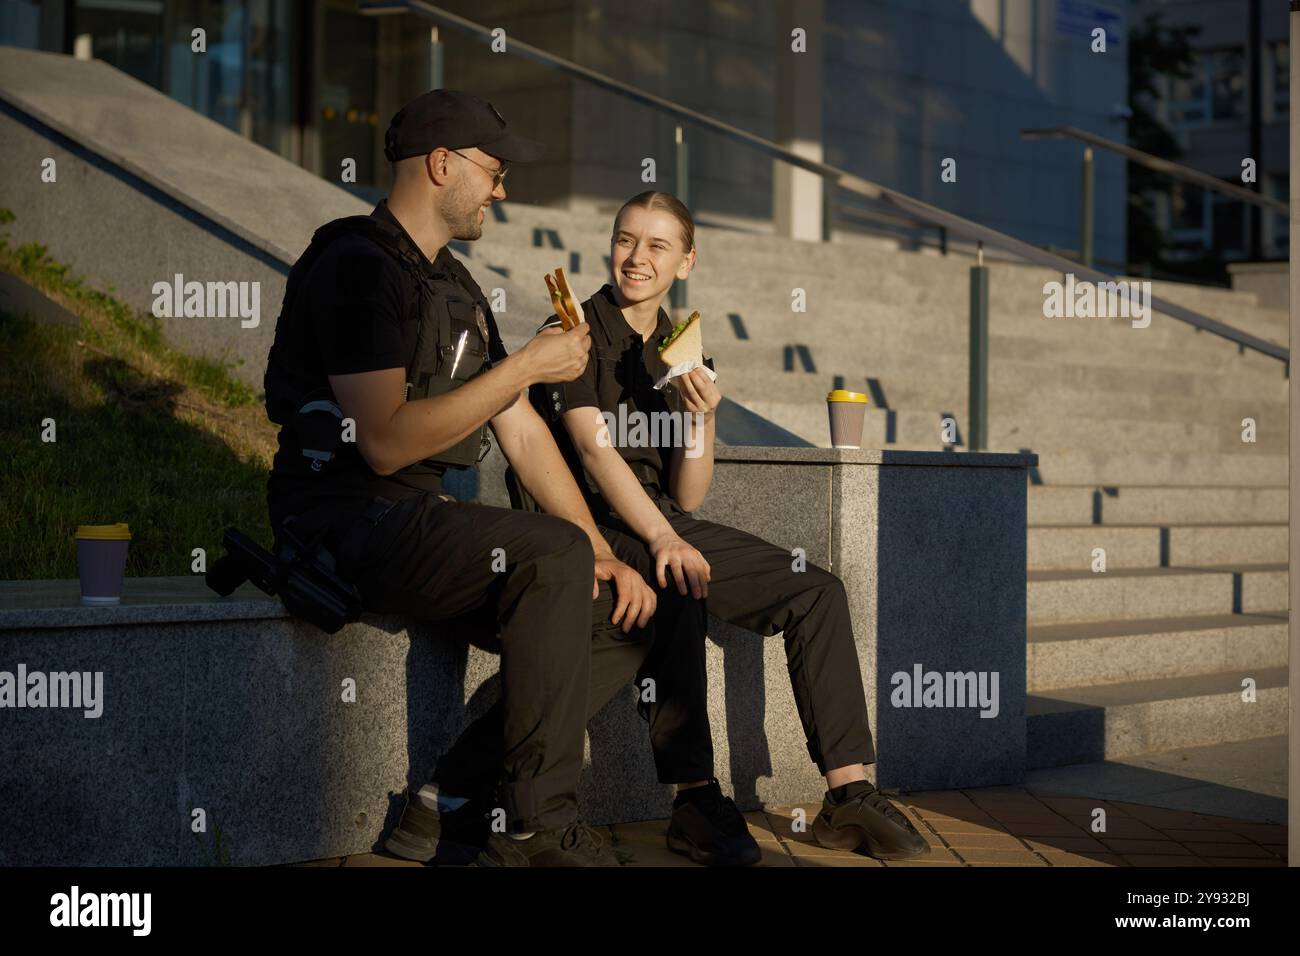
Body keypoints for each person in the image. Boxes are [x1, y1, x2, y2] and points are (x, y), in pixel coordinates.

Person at [263, 90, 659, 867]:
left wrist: (600, 550)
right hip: (345, 519)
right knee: (551, 558)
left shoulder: (458, 287)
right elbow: (379, 441)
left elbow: (520, 429)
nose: (502, 191)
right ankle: (543, 828)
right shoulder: (357, 266)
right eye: (494, 171)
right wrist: (525, 366)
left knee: (621, 610)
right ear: (442, 164)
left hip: (423, 520)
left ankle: (446, 799)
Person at [529, 190, 931, 865]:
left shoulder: (681, 350)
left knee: (817, 590)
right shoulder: (571, 327)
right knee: (679, 577)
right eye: (627, 239)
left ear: (686, 262)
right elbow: (594, 453)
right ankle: (694, 797)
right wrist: (661, 537)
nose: (637, 257)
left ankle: (848, 793)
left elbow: (689, 493)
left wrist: (702, 418)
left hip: (664, 516)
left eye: (657, 245)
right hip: (592, 522)